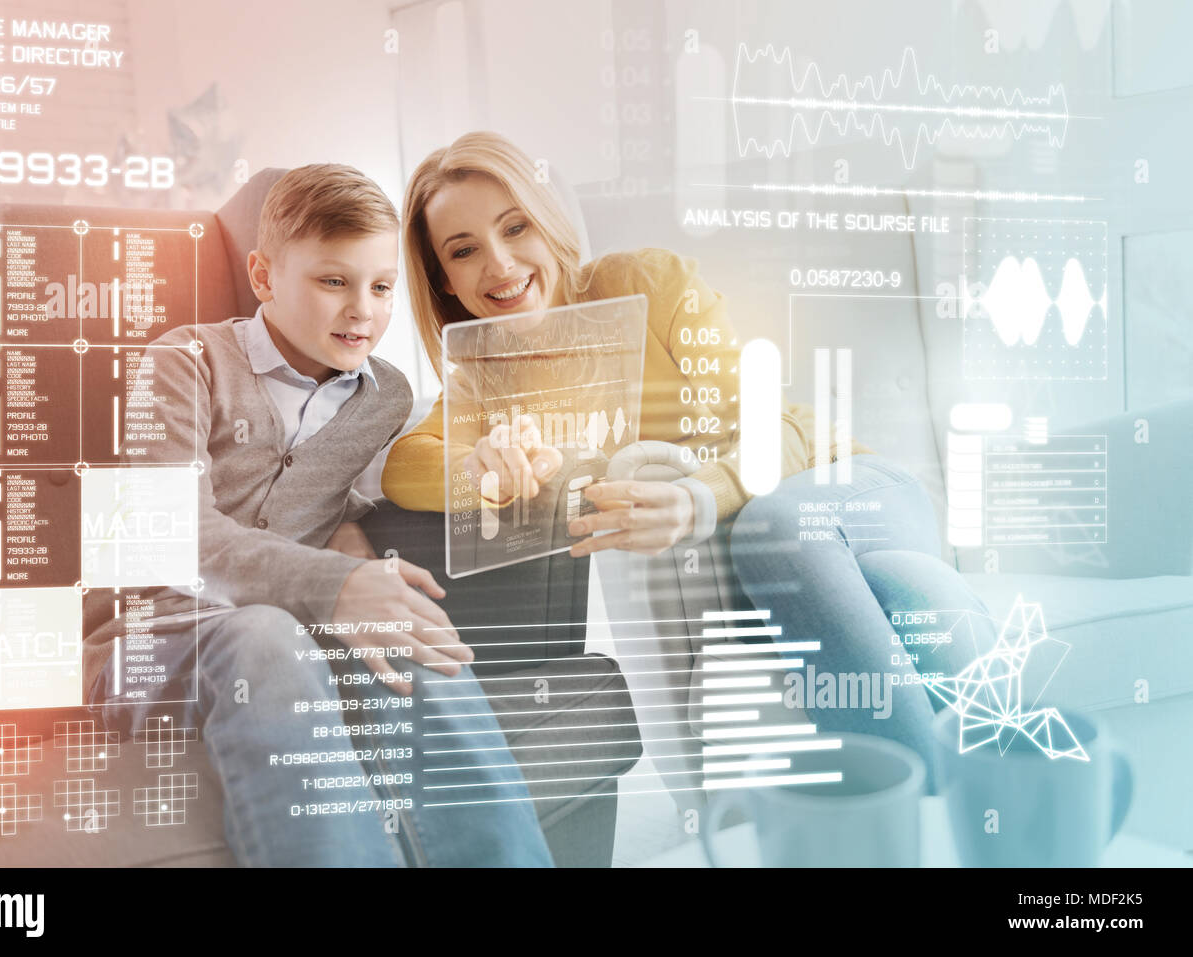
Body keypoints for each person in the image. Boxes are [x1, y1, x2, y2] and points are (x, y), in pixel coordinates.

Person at [380, 131, 989, 782]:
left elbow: (774, 422)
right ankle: (984, 801)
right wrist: (476, 471)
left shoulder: (647, 281)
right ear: (442, 277)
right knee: (908, 587)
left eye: (515, 226)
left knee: (773, 525)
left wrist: (697, 496)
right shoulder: (484, 377)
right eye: (463, 249)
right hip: (802, 581)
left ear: (547, 222)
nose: (498, 265)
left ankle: (915, 818)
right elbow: (402, 463)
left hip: (854, 487)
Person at [83, 164, 552, 866]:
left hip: (295, 627)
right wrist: (334, 581)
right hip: (149, 637)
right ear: (265, 277)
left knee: (406, 627)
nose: (363, 309)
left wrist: (360, 546)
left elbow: (350, 489)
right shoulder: (185, 360)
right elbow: (170, 532)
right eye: (333, 281)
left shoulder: (385, 396)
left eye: (382, 286)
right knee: (267, 635)